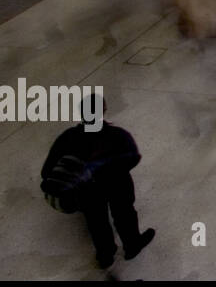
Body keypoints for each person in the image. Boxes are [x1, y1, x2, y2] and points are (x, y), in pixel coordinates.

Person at [41, 95, 155, 269]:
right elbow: (134, 157)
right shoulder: (117, 136)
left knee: (96, 222)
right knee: (124, 214)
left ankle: (105, 255)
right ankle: (132, 245)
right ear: (103, 111)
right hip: (118, 184)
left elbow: (47, 171)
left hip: (87, 192)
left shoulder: (68, 138)